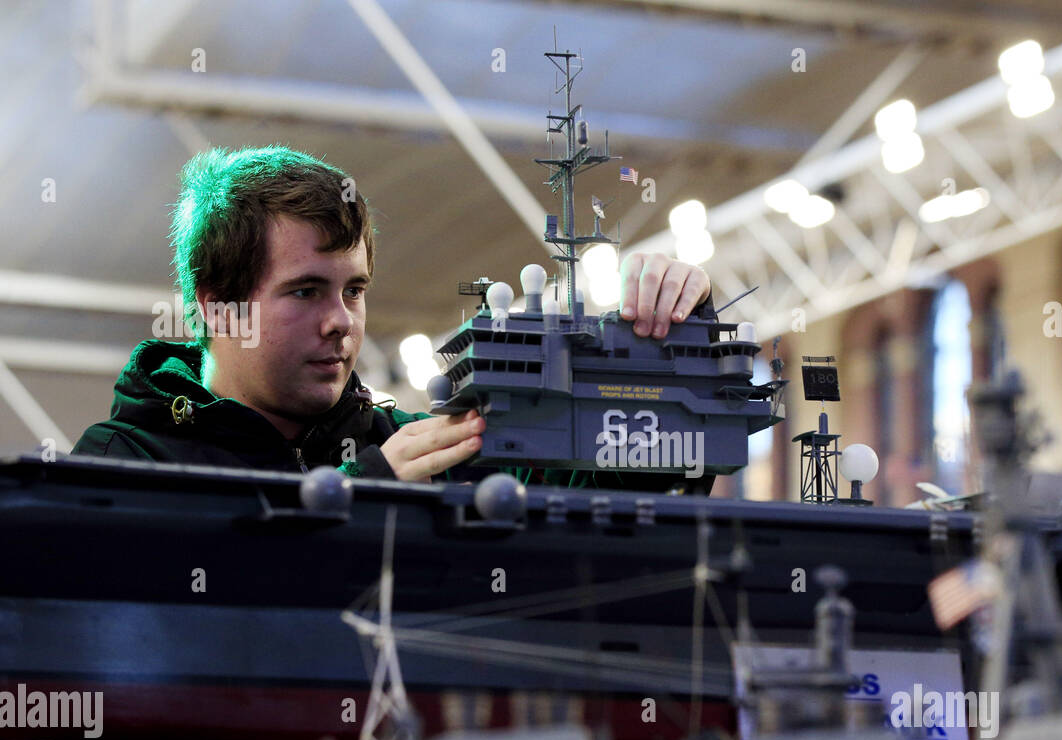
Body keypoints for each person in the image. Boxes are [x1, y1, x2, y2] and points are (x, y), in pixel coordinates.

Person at [72, 146, 715, 491]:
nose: (341, 322)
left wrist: (686, 342)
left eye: (353, 290)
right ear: (218, 305)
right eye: (305, 292)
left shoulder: (413, 449)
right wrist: (357, 503)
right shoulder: (122, 465)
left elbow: (619, 483)